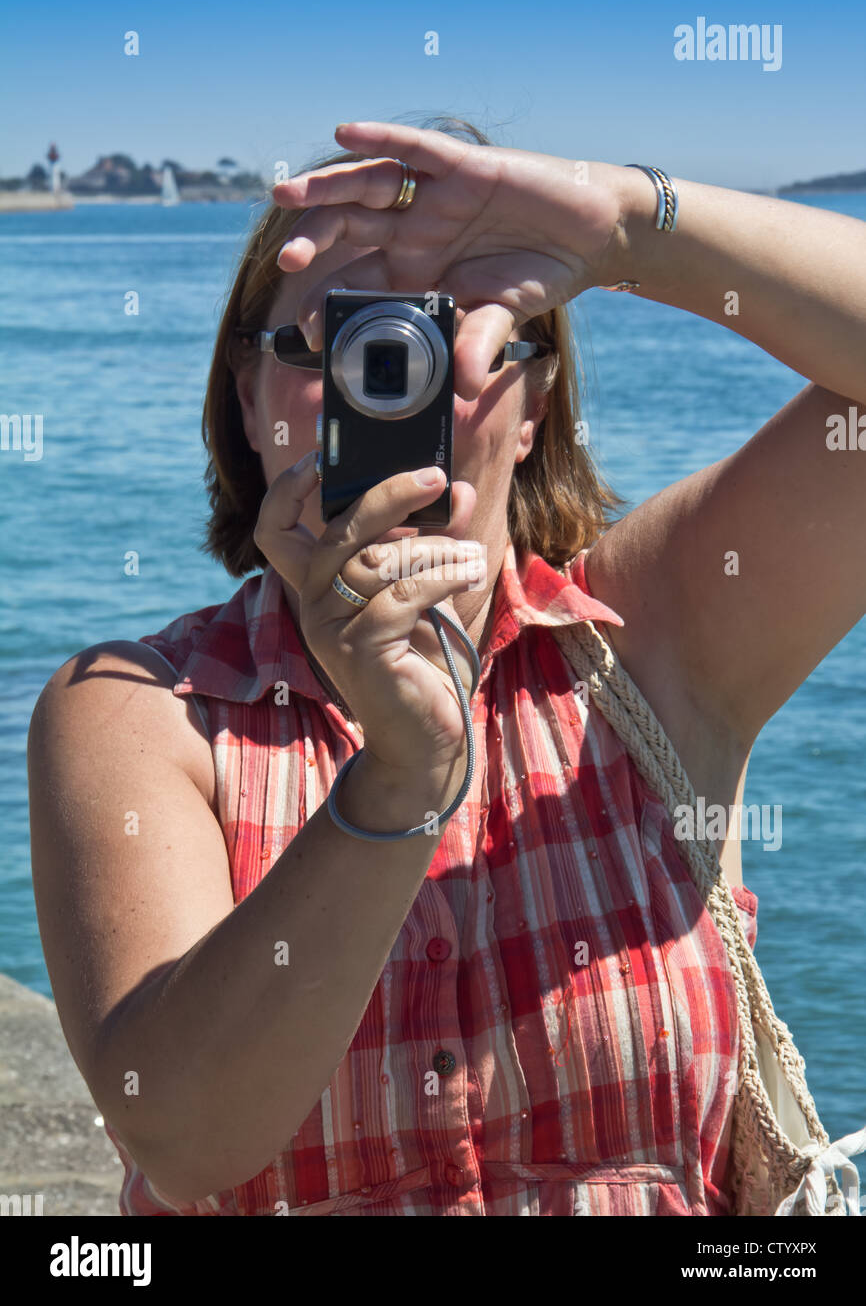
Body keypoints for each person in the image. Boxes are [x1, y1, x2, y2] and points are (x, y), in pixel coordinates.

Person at [28, 115, 866, 1217]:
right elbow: (186, 1138)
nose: (385, 384)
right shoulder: (144, 712)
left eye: (445, 338)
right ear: (247, 398)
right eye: (336, 338)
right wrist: (401, 779)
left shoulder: (651, 634)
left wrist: (623, 224)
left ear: (529, 406)